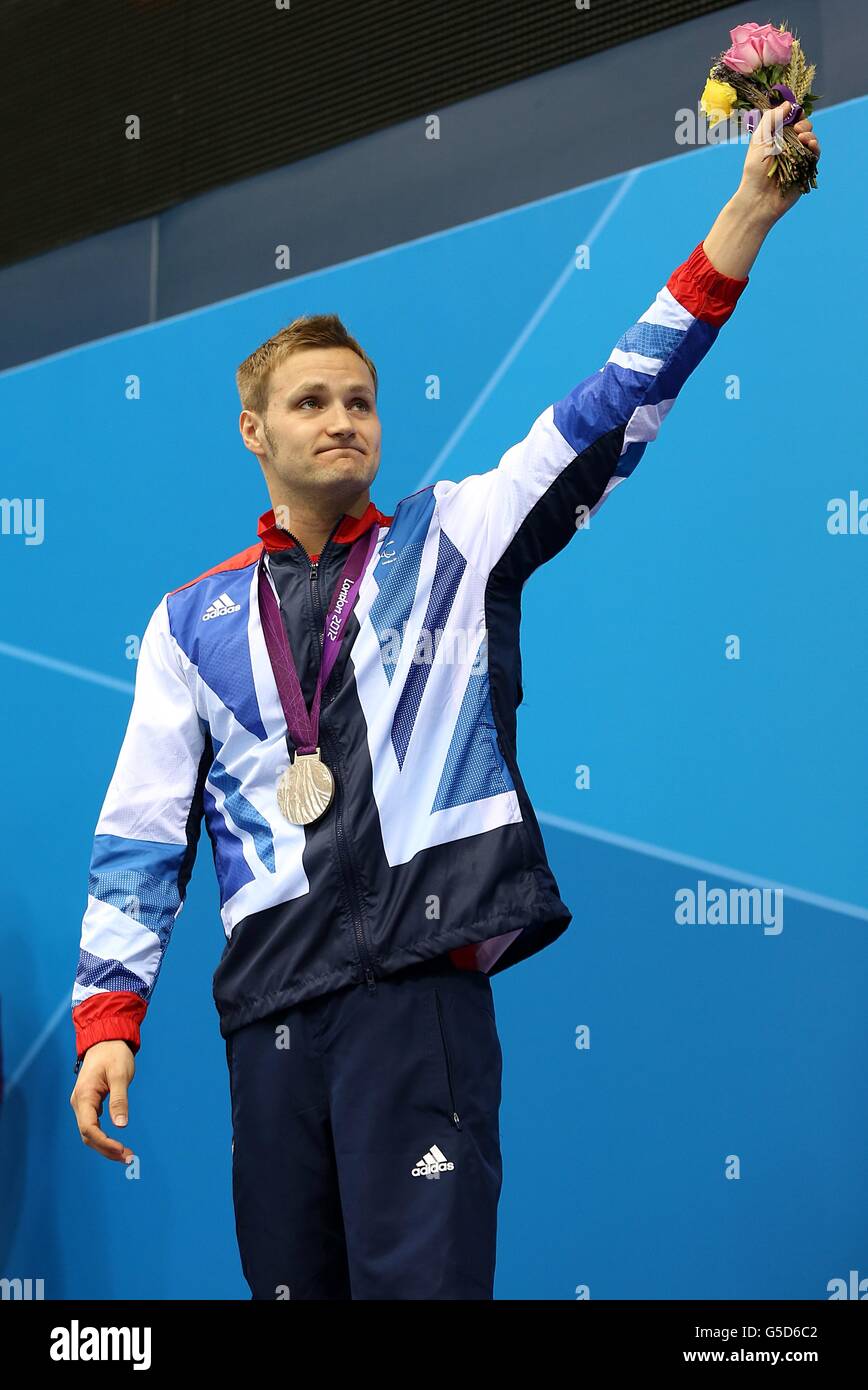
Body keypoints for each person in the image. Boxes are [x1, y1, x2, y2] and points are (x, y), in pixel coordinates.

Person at [70, 105, 820, 1299]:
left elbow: (610, 403)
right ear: (253, 430)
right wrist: (108, 1017)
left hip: (417, 998)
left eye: (360, 400)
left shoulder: (459, 537)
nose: (343, 420)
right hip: (267, 1013)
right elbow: (140, 832)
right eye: (311, 402)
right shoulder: (188, 622)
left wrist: (744, 217)